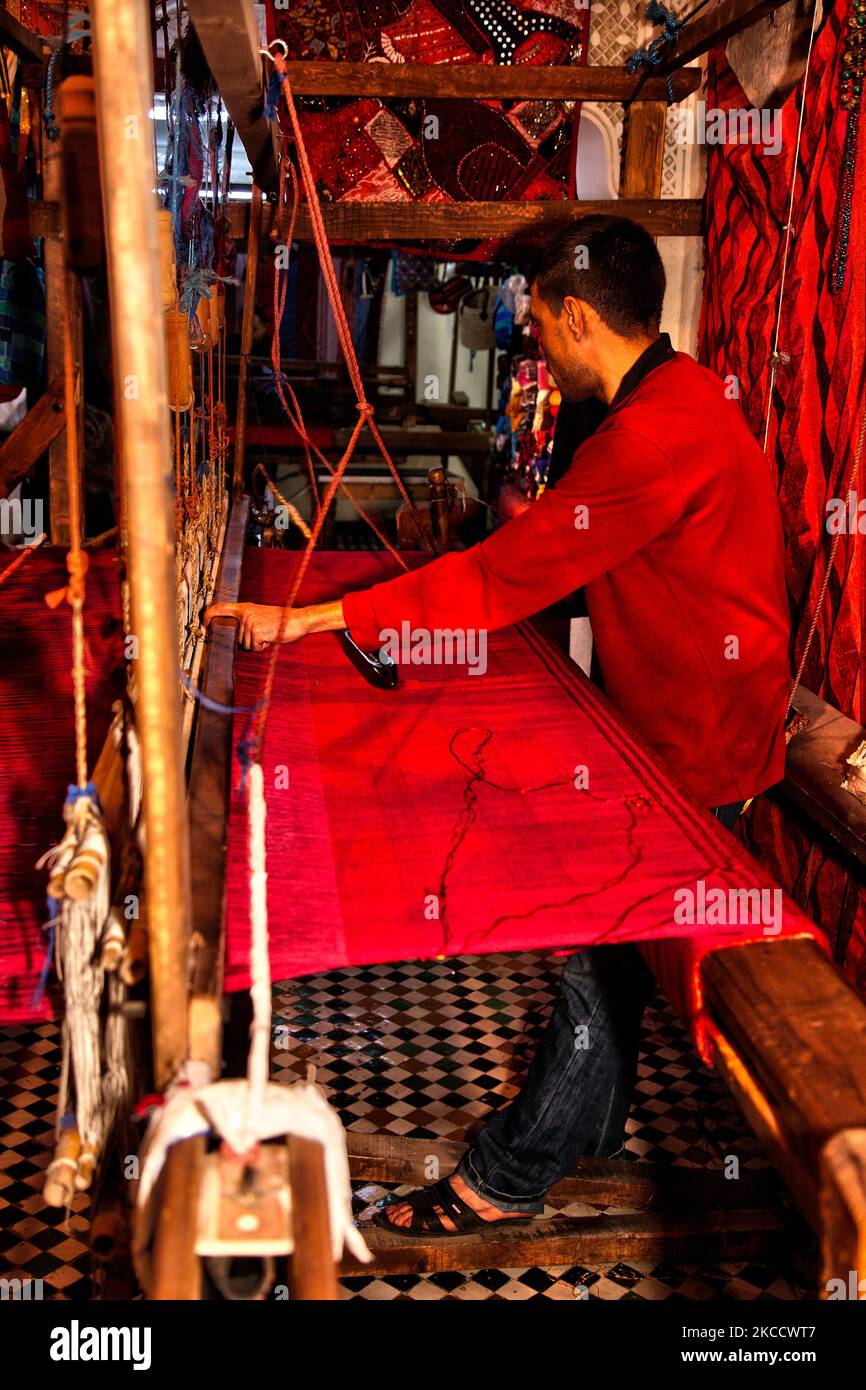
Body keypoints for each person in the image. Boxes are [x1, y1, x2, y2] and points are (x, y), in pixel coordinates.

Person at [205, 215, 791, 1237]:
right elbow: (559, 554)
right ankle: (585, 1133)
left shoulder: (654, 433)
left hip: (695, 736)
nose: (533, 348)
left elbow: (499, 579)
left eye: (536, 328)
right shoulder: (670, 396)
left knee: (594, 943)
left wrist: (295, 621)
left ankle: (506, 1174)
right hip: (685, 716)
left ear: (574, 315)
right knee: (610, 954)